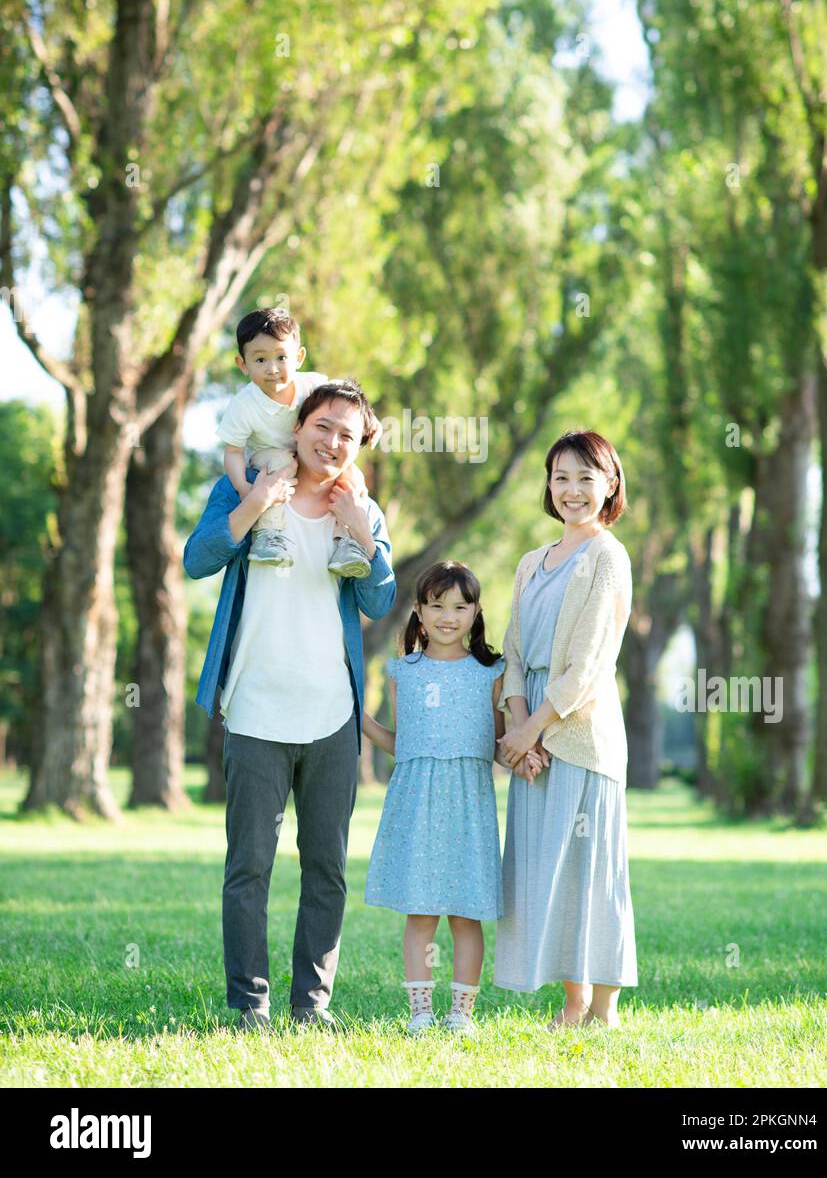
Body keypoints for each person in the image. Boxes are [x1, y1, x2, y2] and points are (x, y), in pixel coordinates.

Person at [183, 376, 396, 1032]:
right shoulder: (244, 481)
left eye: (348, 436)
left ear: (359, 447)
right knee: (248, 865)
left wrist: (362, 532)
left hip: (332, 716)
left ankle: (312, 1007)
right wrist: (256, 503)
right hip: (254, 712)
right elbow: (196, 560)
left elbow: (378, 602)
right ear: (299, 424)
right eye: (323, 426)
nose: (332, 442)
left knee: (326, 868)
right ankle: (249, 1007)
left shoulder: (361, 506)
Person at [494, 429, 638, 1030]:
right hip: (534, 736)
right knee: (545, 870)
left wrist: (534, 730)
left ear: (610, 485)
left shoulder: (608, 556)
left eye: (586, 477)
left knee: (591, 872)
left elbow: (589, 662)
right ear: (548, 487)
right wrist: (518, 726)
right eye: (561, 477)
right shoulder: (532, 562)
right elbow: (513, 650)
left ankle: (599, 1008)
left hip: (582, 738)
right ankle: (572, 999)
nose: (572, 490)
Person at [363, 561, 542, 1034]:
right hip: (416, 804)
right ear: (419, 611)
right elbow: (402, 742)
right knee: (421, 912)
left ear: (476, 612)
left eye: (460, 606)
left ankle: (461, 1014)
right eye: (437, 605)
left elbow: (499, 743)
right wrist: (360, 720)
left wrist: (522, 757)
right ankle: (420, 1011)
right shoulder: (404, 671)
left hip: (469, 806)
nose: (448, 616)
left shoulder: (491, 672)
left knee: (467, 914)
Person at [218, 305, 379, 577]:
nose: (272, 369)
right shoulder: (243, 406)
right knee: (283, 465)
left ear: (299, 357)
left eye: (281, 357)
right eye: (260, 360)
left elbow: (349, 402)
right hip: (269, 455)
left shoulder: (311, 385)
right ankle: (268, 534)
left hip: (307, 454)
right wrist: (245, 489)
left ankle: (348, 543)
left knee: (353, 476)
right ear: (242, 364)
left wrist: (372, 423)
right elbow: (233, 451)